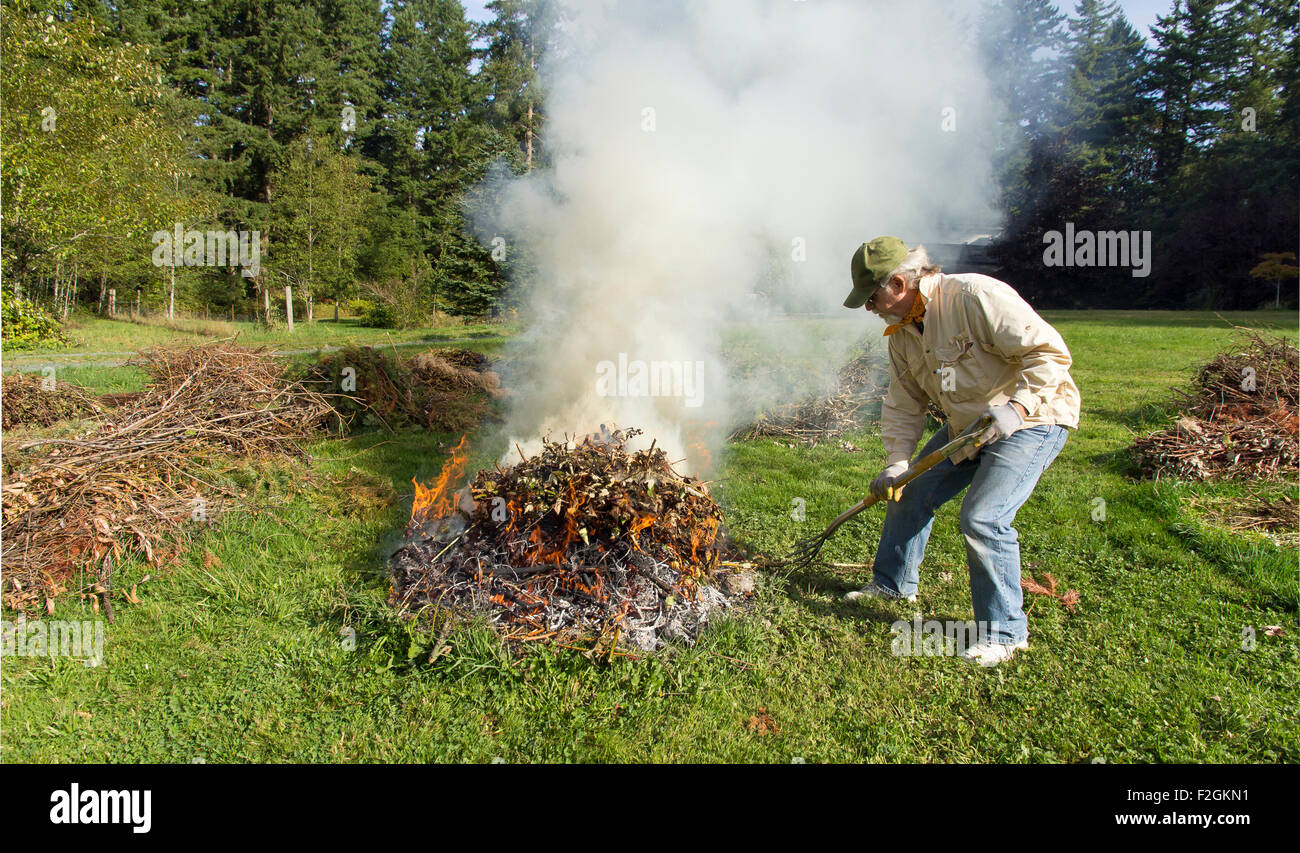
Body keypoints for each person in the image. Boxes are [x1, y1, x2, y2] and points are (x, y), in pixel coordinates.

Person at [840, 236, 1081, 667]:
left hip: (1035, 417)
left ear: (898, 283)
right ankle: (894, 584)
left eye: (871, 297)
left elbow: (1049, 354)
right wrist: (898, 461)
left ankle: (1005, 633)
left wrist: (1018, 407)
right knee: (910, 489)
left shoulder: (974, 296)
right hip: (969, 427)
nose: (868, 308)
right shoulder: (901, 336)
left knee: (984, 517)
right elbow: (903, 402)